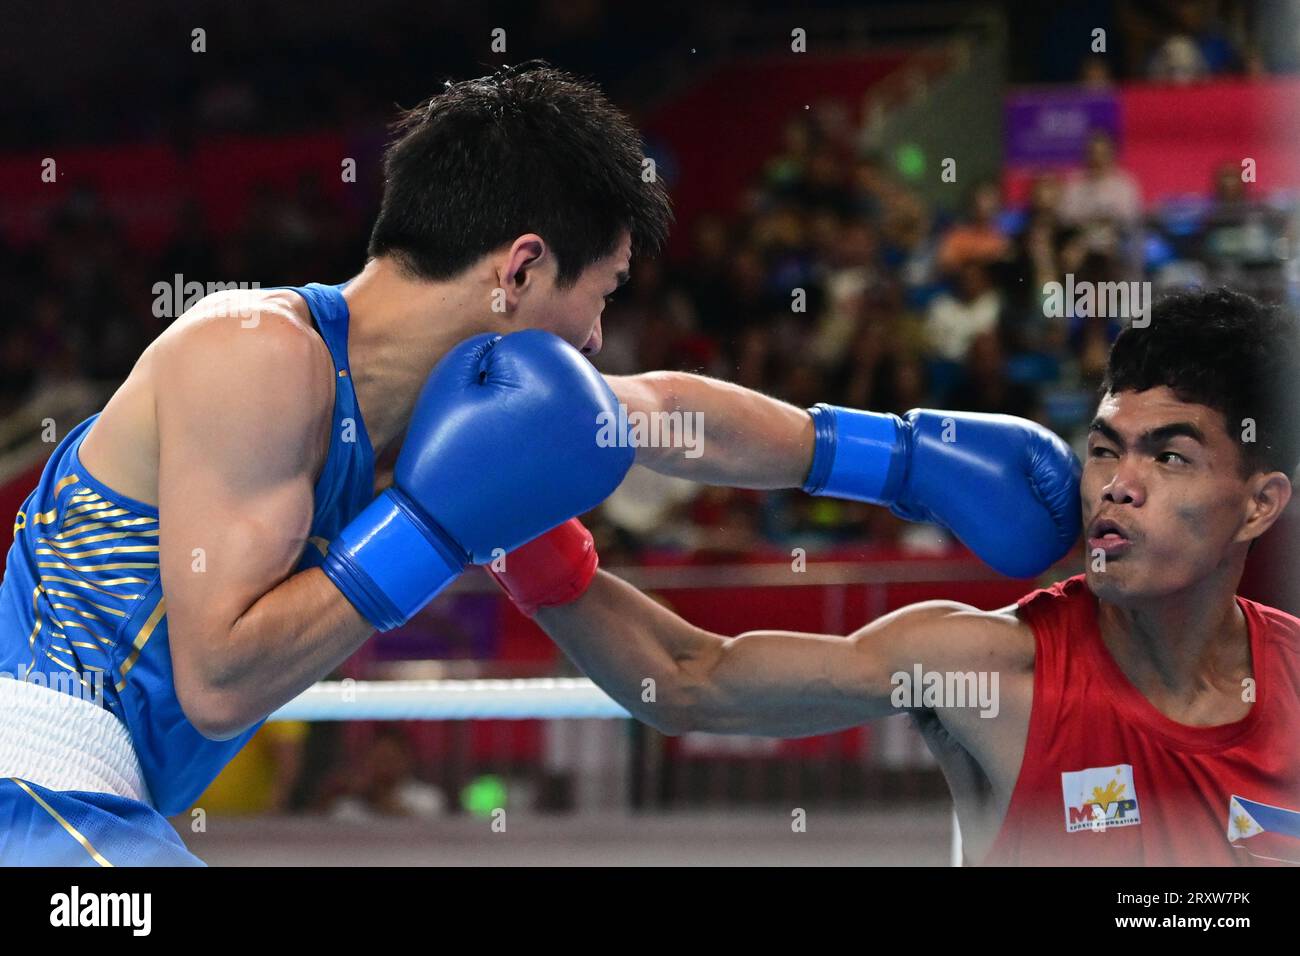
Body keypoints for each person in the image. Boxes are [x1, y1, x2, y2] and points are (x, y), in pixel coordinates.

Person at [0, 62, 1077, 865]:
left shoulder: (461, 434)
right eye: (600, 295)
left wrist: (897, 463)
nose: (598, 343)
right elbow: (222, 678)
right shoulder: (253, 358)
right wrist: (430, 527)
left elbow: (680, 647)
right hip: (33, 769)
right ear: (521, 267)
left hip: (100, 801)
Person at [494, 287, 1300, 866]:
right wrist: (509, 526)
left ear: (1260, 504)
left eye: (1168, 455)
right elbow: (686, 680)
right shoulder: (989, 670)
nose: (1119, 484)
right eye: (1102, 448)